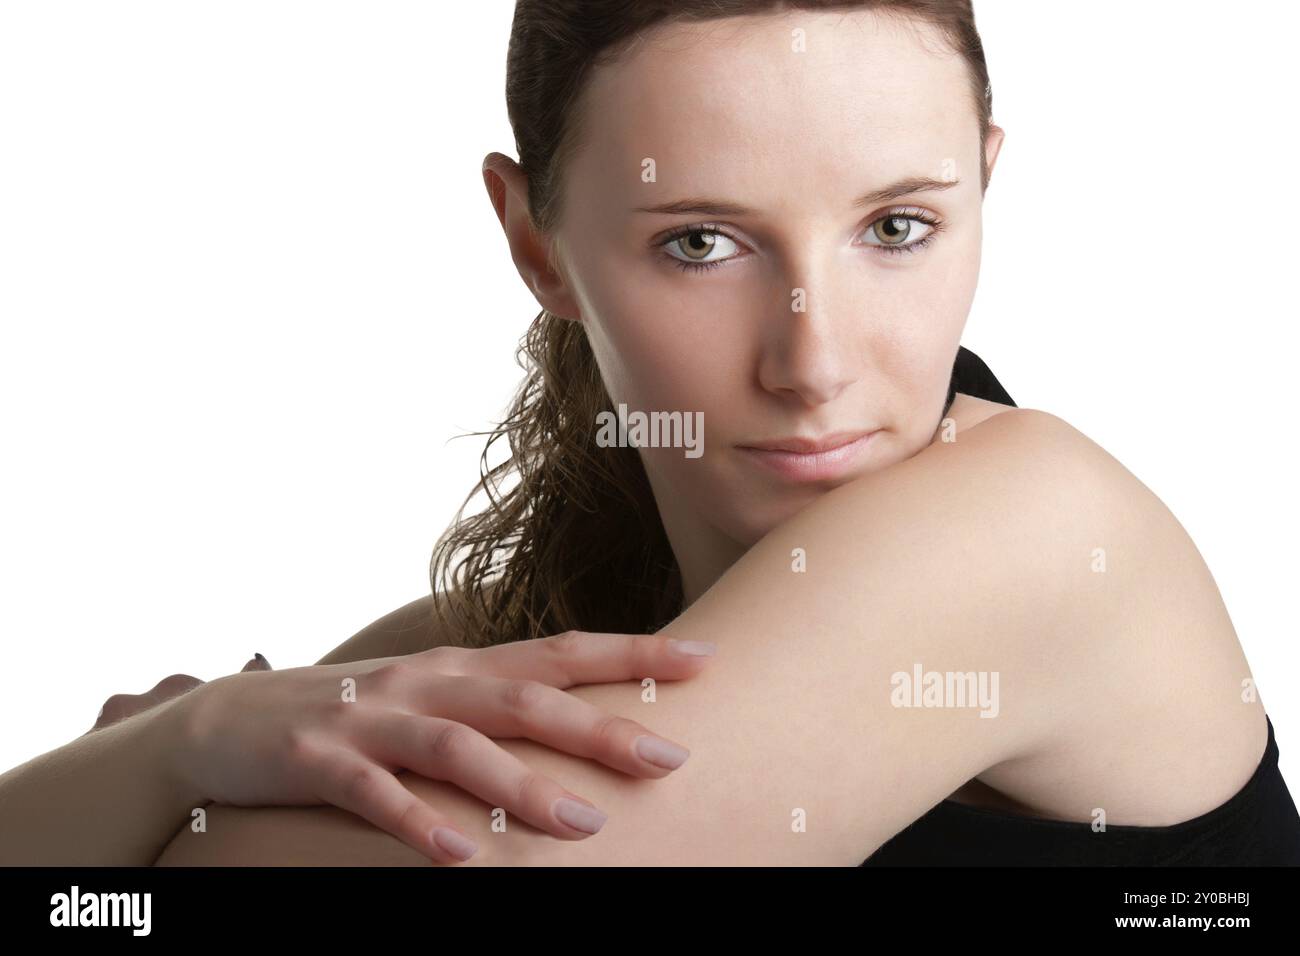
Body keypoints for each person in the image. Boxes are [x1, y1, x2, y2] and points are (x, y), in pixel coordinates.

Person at [6, 0, 1300, 867]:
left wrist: (162, 786)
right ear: (536, 246)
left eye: (898, 229)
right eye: (702, 243)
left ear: (986, 185)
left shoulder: (1035, 530)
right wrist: (191, 744)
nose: (817, 362)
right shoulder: (565, 599)